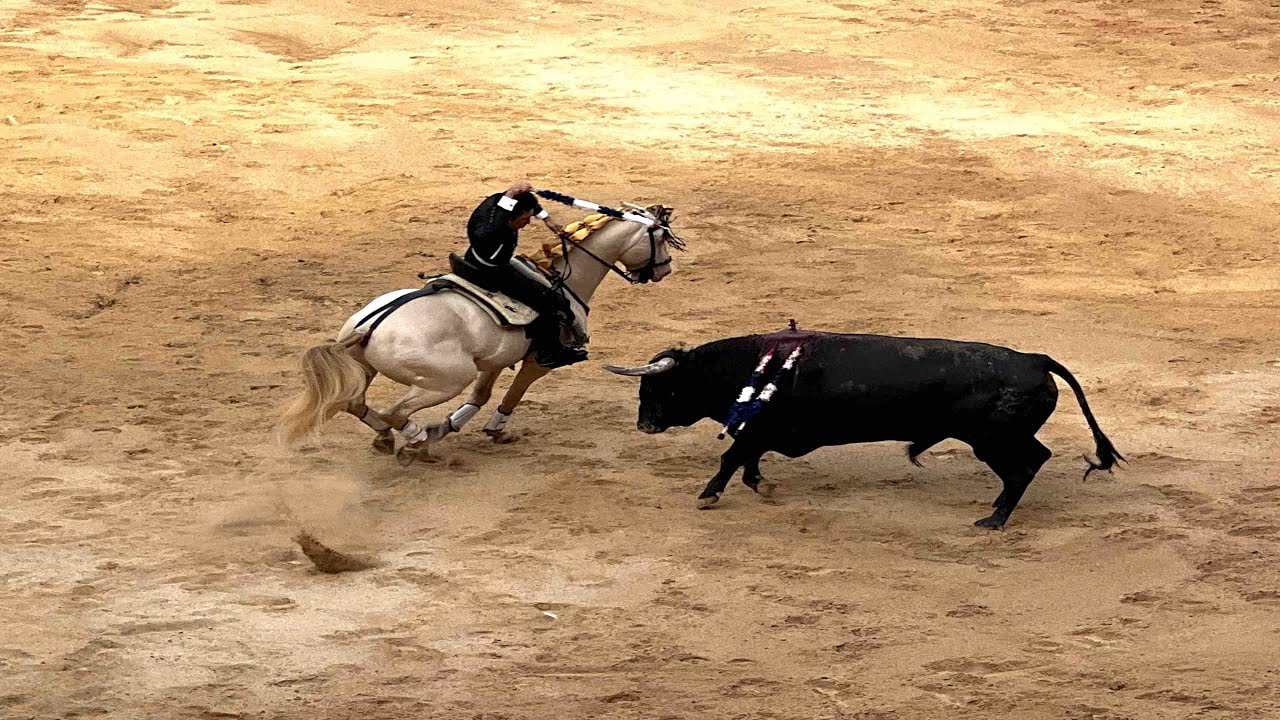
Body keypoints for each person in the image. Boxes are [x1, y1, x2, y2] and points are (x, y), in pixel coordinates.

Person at [462, 181, 587, 368]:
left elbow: (527, 204)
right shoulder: (492, 229)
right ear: (509, 219)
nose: (527, 223)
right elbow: (494, 228)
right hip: (492, 270)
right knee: (548, 303)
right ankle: (548, 353)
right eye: (524, 219)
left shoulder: (500, 202)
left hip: (478, 259)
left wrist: (546, 218)